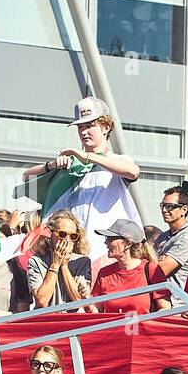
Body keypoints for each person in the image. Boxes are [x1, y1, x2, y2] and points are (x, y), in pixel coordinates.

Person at [22, 97, 141, 261]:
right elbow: (27, 177)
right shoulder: (72, 164)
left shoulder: (117, 160)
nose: (84, 132)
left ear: (106, 127)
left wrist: (87, 157)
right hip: (74, 250)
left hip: (107, 251)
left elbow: (133, 172)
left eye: (90, 125)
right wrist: (52, 165)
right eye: (80, 127)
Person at [26, 209, 93, 310]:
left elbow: (80, 301)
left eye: (73, 236)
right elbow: (41, 301)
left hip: (74, 322)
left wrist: (64, 266)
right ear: (51, 234)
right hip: (47, 322)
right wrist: (55, 265)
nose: (67, 240)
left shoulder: (82, 262)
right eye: (62, 234)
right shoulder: (36, 262)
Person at [90, 218, 159, 315]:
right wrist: (86, 300)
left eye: (110, 239)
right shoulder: (104, 273)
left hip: (144, 329)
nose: (106, 243)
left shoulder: (151, 269)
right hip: (112, 329)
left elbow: (165, 310)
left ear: (128, 243)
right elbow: (97, 312)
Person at [146, 184, 188, 287]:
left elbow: (159, 271)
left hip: (180, 300)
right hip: (160, 297)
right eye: (162, 205)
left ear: (184, 210)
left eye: (170, 206)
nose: (164, 210)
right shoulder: (162, 237)